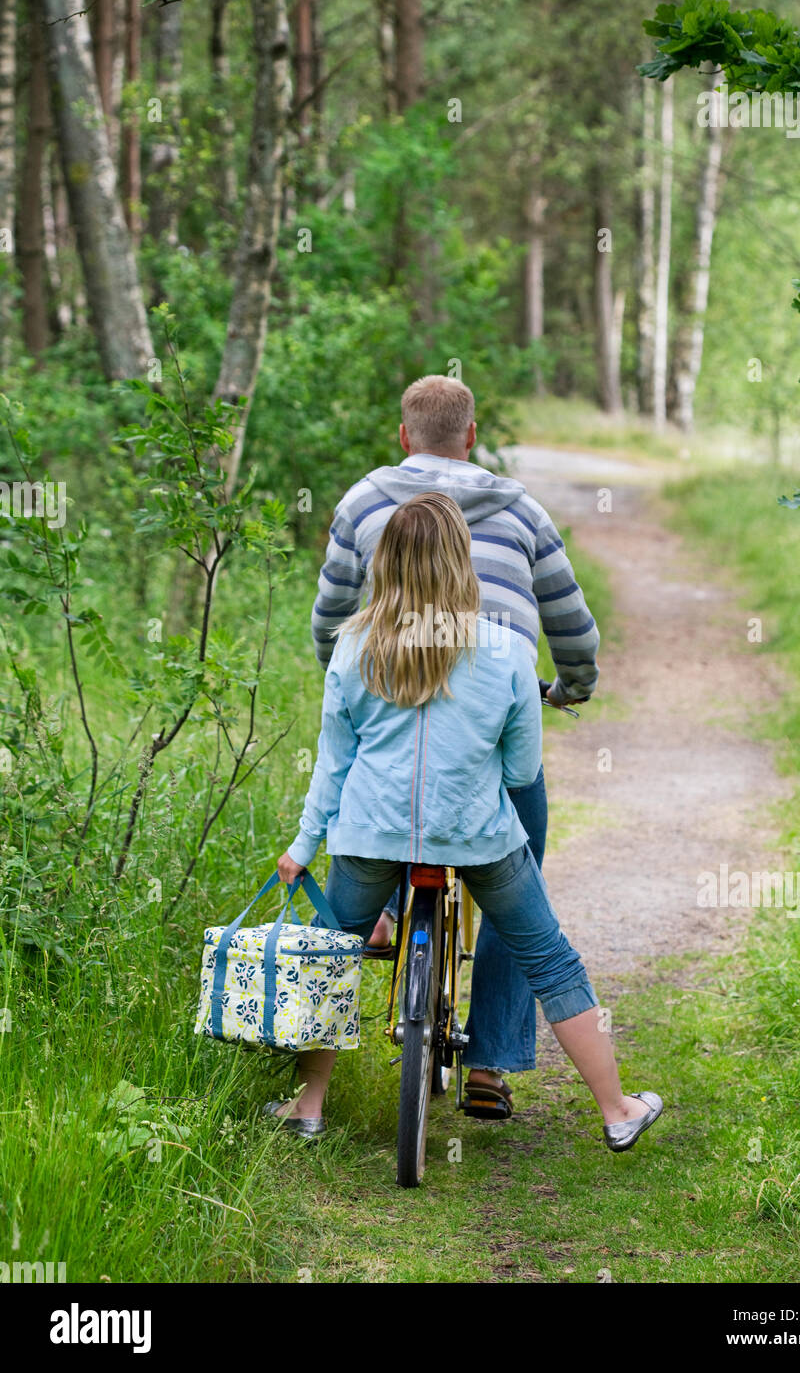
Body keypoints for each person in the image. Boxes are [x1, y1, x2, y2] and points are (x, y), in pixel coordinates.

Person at [273, 492, 662, 1153]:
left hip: (370, 835)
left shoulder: (353, 648)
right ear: (461, 562)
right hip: (478, 835)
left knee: (329, 955)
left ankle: (307, 1105)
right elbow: (518, 772)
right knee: (549, 959)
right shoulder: (505, 650)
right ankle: (617, 1109)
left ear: (385, 564)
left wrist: (302, 844)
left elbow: (333, 765)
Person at [309, 374, 600, 1118]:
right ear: (471, 436)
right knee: (515, 880)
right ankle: (492, 1063)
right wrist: (571, 685)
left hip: (386, 705)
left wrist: (355, 678)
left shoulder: (364, 502)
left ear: (404, 435)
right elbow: (570, 620)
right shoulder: (522, 507)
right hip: (490, 703)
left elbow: (331, 613)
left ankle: (380, 919)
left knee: (383, 798)